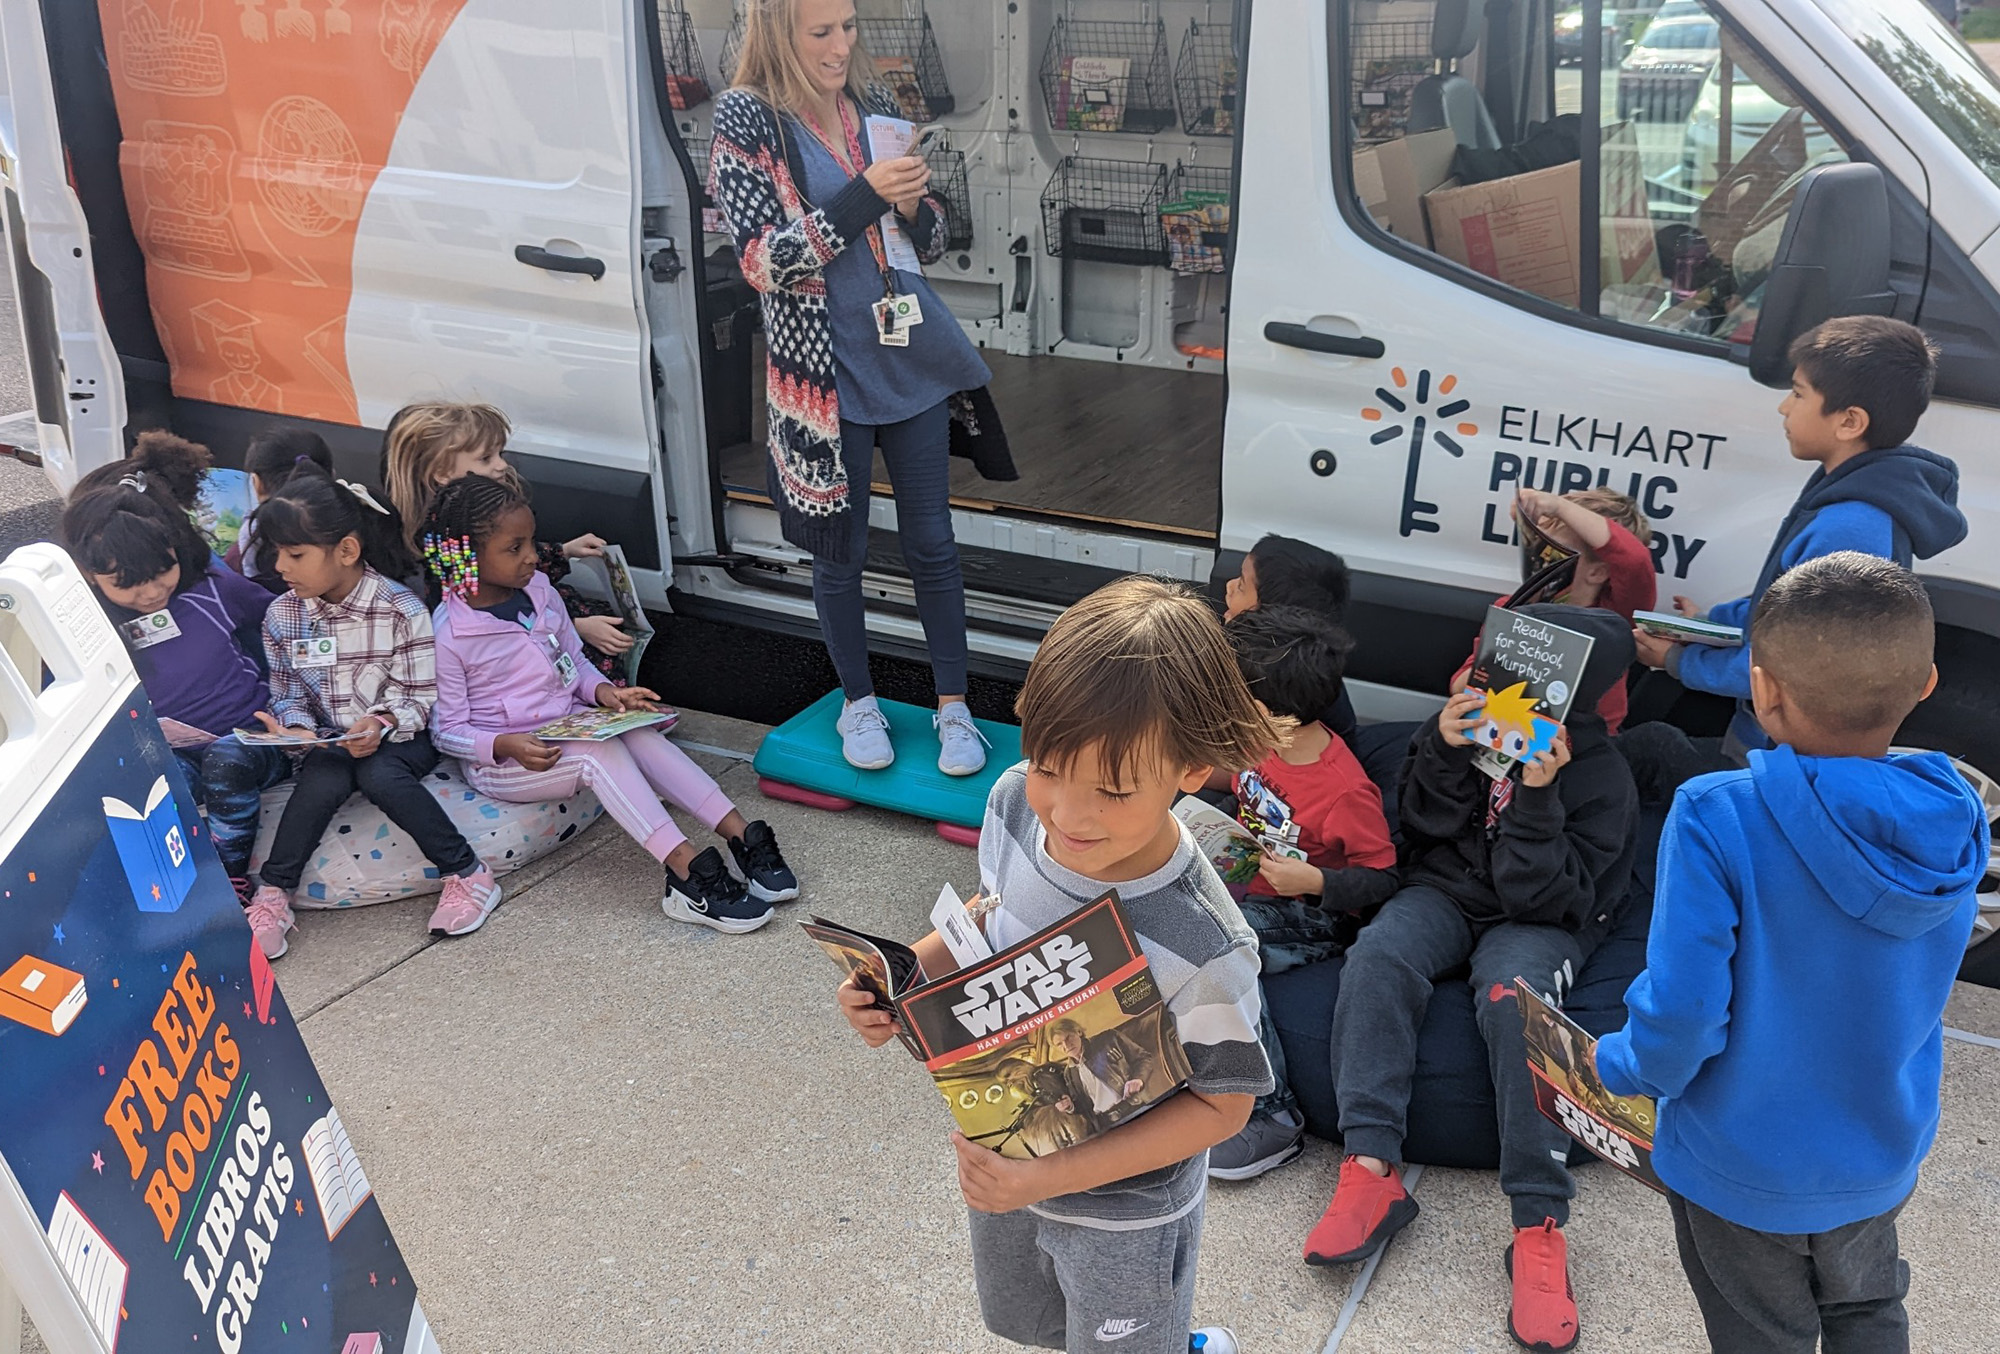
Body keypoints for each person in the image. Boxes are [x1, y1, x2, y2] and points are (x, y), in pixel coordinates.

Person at [836, 576, 1279, 1354]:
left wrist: (1052, 1178)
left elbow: (1225, 1108)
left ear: (1190, 768)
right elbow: (991, 914)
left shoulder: (1202, 945)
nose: (1070, 814)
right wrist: (904, 977)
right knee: (1027, 1323)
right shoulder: (1011, 802)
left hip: (1127, 1211)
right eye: (1049, 764)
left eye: (1112, 789)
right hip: (1006, 1148)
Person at [1596, 554, 1986, 1354]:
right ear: (1925, 685)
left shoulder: (1717, 815)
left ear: (1763, 691)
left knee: (1759, 1333)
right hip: (1879, 1152)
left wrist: (1620, 1067)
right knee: (1868, 1308)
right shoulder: (1956, 814)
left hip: (1741, 1166)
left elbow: (1685, 1013)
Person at [1302, 604, 1639, 1354]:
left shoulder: (1603, 779)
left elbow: (1547, 899)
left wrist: (1539, 800)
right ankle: (1369, 1167)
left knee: (1514, 1002)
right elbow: (1418, 832)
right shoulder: (1461, 726)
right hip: (1447, 889)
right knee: (1381, 955)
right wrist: (1446, 752)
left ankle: (1538, 1226)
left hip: (1538, 914)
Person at [711, 0, 1017, 777]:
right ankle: (859, 705)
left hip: (907, 358)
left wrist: (916, 206)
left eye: (848, 26)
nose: (842, 45)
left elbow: (936, 234)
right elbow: (761, 263)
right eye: (823, 32)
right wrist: (866, 196)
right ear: (779, 32)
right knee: (836, 554)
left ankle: (955, 710)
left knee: (933, 546)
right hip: (823, 377)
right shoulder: (747, 119)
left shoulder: (875, 106)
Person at [422, 474, 796, 934]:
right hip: (509, 762)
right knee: (602, 753)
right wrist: (505, 744)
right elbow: (447, 729)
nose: (532, 557)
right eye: (514, 548)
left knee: (637, 727)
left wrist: (606, 694)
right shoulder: (451, 635)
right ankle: (686, 874)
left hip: (567, 726)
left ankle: (740, 835)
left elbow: (573, 661)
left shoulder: (540, 590)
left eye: (531, 542)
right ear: (466, 555)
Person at [1633, 316, 1966, 756]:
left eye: (1798, 394)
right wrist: (1707, 627)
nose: (1784, 408)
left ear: (1849, 422)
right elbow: (1777, 610)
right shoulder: (1849, 492)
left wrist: (1678, 662)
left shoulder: (1849, 529)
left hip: (1782, 756)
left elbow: (1792, 665)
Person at [243, 464, 499, 954]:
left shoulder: (400, 609)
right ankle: (274, 894)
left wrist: (380, 723)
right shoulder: (283, 614)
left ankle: (468, 873)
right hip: (331, 740)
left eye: (295, 554)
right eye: (277, 553)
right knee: (322, 778)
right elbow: (289, 692)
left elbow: (420, 696)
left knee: (380, 775)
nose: (281, 567)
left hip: (402, 735)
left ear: (347, 550)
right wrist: (296, 729)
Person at [61, 432, 292, 906]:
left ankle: (230, 883)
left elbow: (283, 619)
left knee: (226, 763)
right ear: (89, 576)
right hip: (173, 752)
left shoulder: (210, 591)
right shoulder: (91, 629)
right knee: (146, 793)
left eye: (159, 573)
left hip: (254, 736)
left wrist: (294, 708)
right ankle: (163, 892)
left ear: (176, 548)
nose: (149, 593)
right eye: (126, 584)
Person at [1208, 606, 1397, 1182]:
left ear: (1271, 715)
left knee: (1222, 950)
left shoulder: (1343, 791)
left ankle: (1271, 1118)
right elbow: (1236, 784)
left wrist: (1315, 882)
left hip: (1316, 916)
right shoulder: (1261, 742)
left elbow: (1384, 876)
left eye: (1229, 696)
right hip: (1248, 880)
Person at [381, 400, 645, 689]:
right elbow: (484, 613)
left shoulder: (481, 513)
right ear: (442, 473)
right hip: (514, 647)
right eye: (486, 458)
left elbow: (515, 560)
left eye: (500, 453)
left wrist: (563, 551)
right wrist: (576, 628)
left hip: (543, 613)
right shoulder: (440, 547)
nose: (501, 465)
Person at [1451, 487, 1657, 735]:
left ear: (1598, 572)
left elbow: (1634, 560)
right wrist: (1501, 658)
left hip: (1587, 744)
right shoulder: (1514, 607)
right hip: (1507, 733)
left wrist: (1560, 507)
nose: (1538, 562)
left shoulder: (1613, 617)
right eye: (1536, 548)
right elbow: (1460, 684)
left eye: (1552, 553)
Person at [1222, 534, 1357, 744]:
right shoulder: (1289, 654)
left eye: (1241, 586)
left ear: (1271, 617)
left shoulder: (1275, 677)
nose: (1229, 585)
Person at [228, 426, 334, 593]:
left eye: (296, 555)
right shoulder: (357, 523)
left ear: (257, 484)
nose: (281, 566)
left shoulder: (242, 552)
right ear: (331, 475)